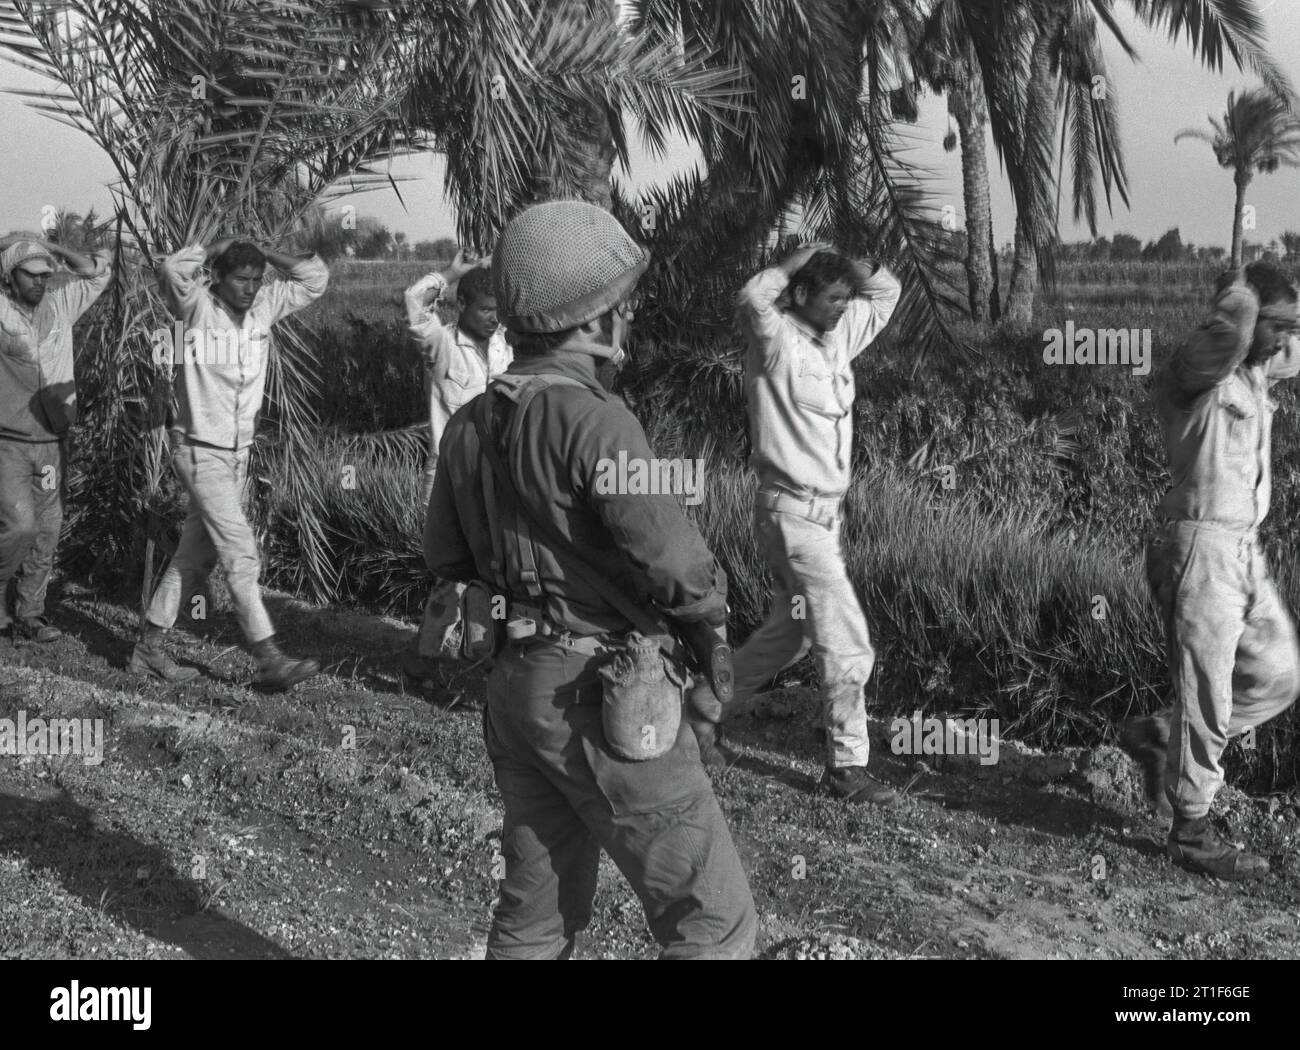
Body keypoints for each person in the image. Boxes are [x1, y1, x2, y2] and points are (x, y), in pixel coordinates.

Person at [425, 200, 756, 959]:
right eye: (622, 307)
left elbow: (446, 558)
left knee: (534, 922)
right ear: (593, 321)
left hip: (515, 692)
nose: (629, 321)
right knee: (713, 923)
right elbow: (672, 560)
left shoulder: (471, 422)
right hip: (601, 692)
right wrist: (710, 636)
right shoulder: (596, 420)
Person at [1121, 261, 1300, 880]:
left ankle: (1160, 734)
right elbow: (1231, 334)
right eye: (1276, 326)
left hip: (1245, 551)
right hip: (1199, 549)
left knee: (1280, 674)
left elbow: (1288, 351)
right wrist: (1247, 299)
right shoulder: (1199, 372)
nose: (1283, 342)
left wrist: (1282, 320)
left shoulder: (1257, 372)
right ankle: (1191, 827)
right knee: (1210, 689)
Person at [726, 240, 902, 805]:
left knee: (790, 637)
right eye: (831, 298)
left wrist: (851, 264)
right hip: (791, 513)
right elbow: (752, 295)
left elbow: (888, 290)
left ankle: (701, 711)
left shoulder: (838, 338)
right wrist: (798, 260)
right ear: (801, 293)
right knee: (847, 644)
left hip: (821, 521)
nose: (841, 309)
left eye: (846, 301)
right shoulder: (775, 339)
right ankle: (847, 769)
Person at [129, 238, 328, 690]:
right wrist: (218, 248)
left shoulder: (263, 310)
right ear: (218, 277)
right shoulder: (197, 307)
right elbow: (171, 270)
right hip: (199, 451)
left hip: (237, 455)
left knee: (192, 559)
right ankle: (268, 657)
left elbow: (315, 279)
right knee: (241, 554)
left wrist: (263, 251)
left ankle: (148, 648)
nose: (252, 288)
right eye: (242, 278)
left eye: (257, 280)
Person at [0, 234, 113, 642]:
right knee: (19, 526)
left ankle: (31, 614)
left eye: (45, 275)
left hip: (52, 442)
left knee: (47, 527)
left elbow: (97, 269)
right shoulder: (1, 312)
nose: (40, 282)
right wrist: (11, 240)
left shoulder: (61, 305)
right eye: (30, 275)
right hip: (8, 443)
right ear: (9, 277)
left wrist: (49, 246)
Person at [404, 251, 511, 677]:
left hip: (496, 477)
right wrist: (452, 272)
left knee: (495, 570)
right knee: (451, 571)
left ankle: (481, 655)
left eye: (497, 311)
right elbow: (414, 300)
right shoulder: (442, 344)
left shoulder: (506, 346)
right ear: (461, 305)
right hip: (450, 475)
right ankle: (425, 658)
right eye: (484, 309)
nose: (492, 319)